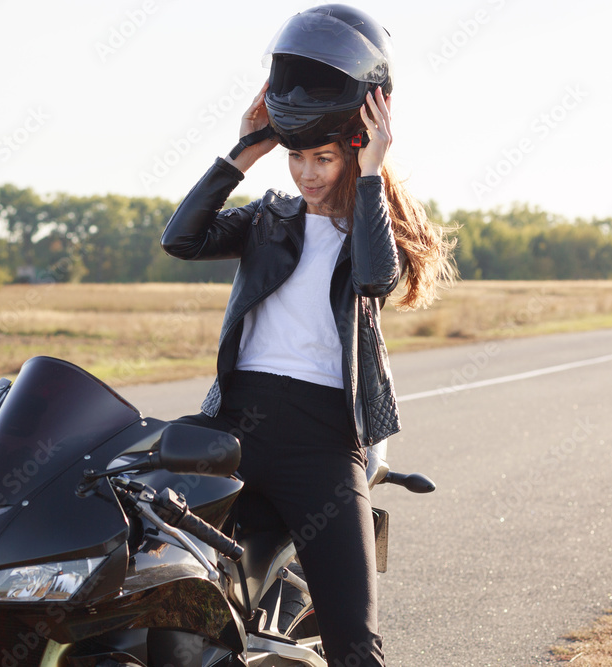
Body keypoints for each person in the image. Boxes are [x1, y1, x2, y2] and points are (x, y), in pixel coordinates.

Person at [159, 5, 456, 666]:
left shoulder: (365, 233)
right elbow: (182, 238)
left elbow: (376, 279)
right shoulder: (270, 219)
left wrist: (374, 171)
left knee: (356, 642)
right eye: (297, 157)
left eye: (322, 156)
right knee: (165, 608)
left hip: (322, 444)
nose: (307, 172)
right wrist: (244, 149)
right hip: (234, 431)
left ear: (352, 149)